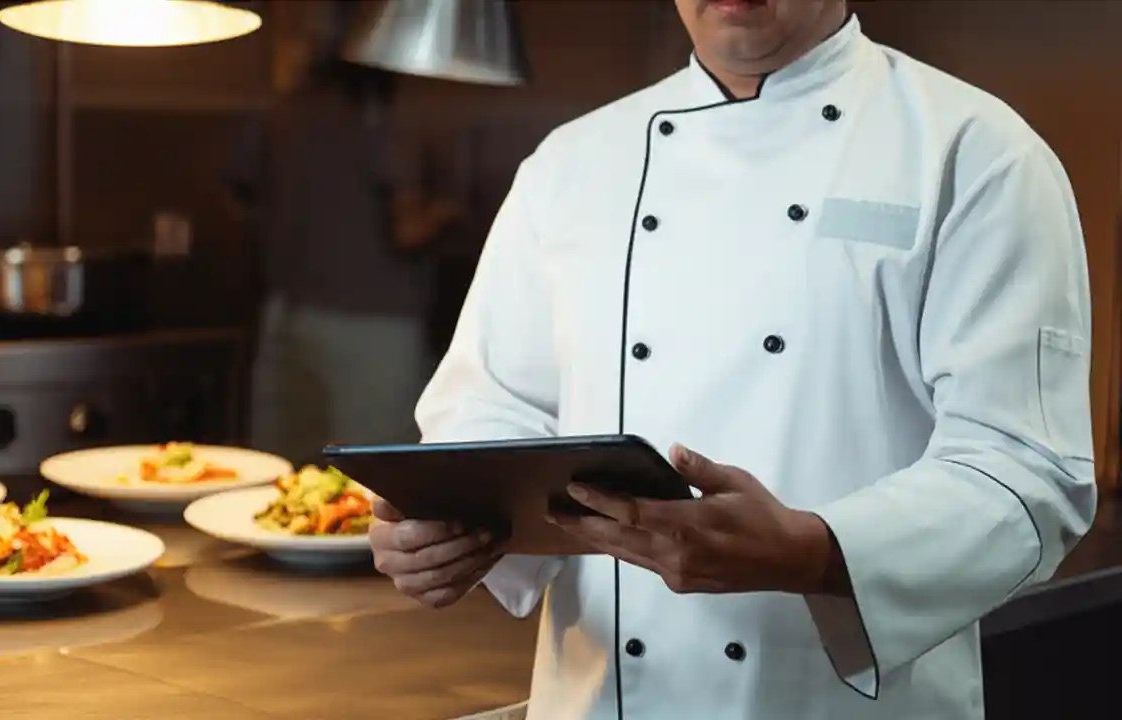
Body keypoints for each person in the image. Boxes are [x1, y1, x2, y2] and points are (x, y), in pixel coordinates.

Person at [368, 1, 1097, 718]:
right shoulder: (570, 163)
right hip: (602, 698)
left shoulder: (975, 153)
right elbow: (496, 406)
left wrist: (813, 551)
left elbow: (1025, 471)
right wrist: (448, 527)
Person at [225, 53, 459, 463]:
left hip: (286, 313)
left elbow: (238, 194)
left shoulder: (285, 108)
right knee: (376, 477)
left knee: (282, 470)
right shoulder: (380, 113)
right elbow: (408, 229)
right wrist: (450, 210)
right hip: (371, 324)